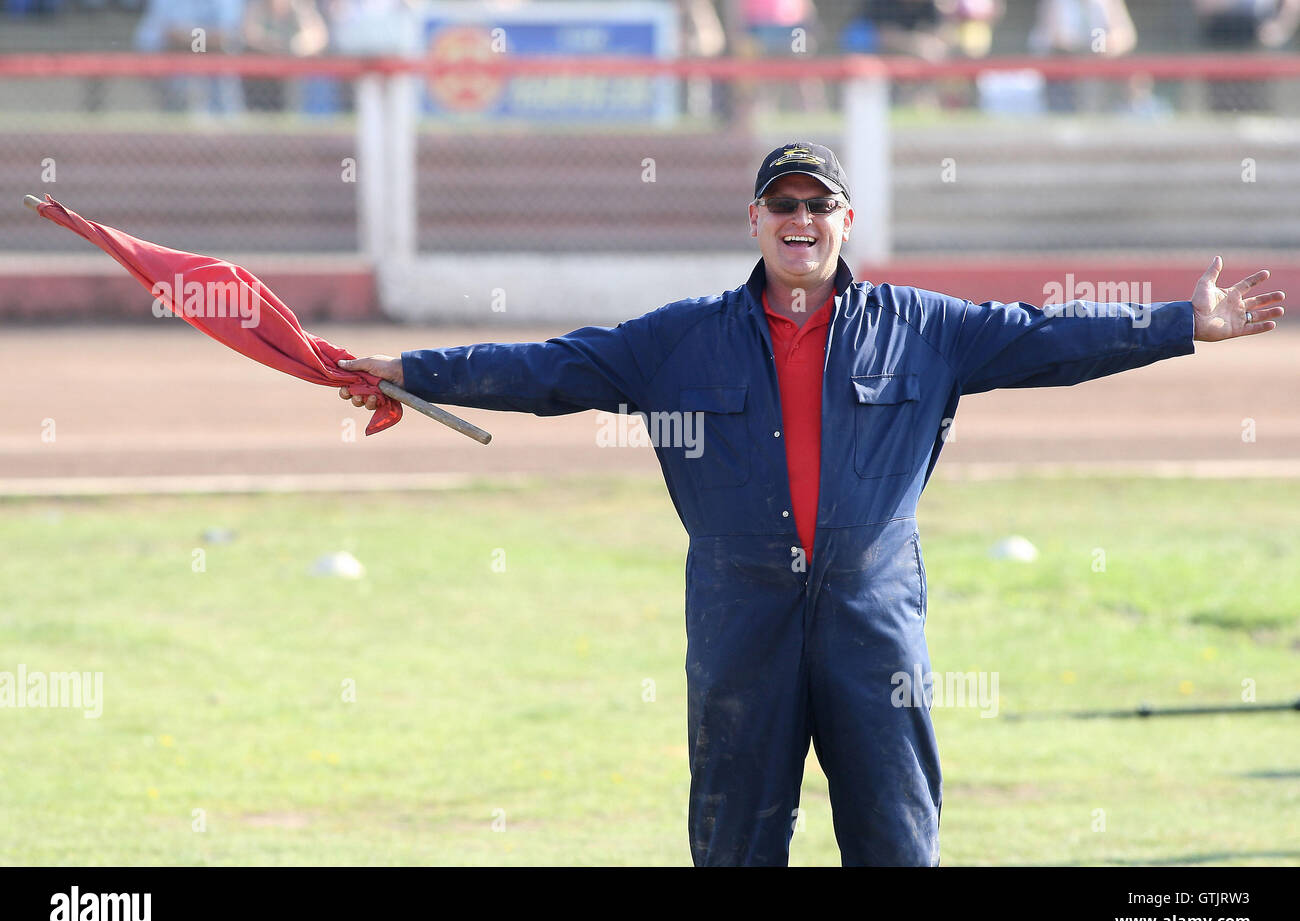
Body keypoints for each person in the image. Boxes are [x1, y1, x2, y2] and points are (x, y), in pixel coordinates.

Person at [338, 143, 1285, 866]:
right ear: (755, 219)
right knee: (736, 842)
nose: (802, 220)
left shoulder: (926, 328)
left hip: (873, 620)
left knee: (896, 836)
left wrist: (1180, 325)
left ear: (846, 219)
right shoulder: (681, 340)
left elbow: (1051, 340)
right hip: (737, 617)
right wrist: (413, 371)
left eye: (818, 205)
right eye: (784, 205)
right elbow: (548, 368)